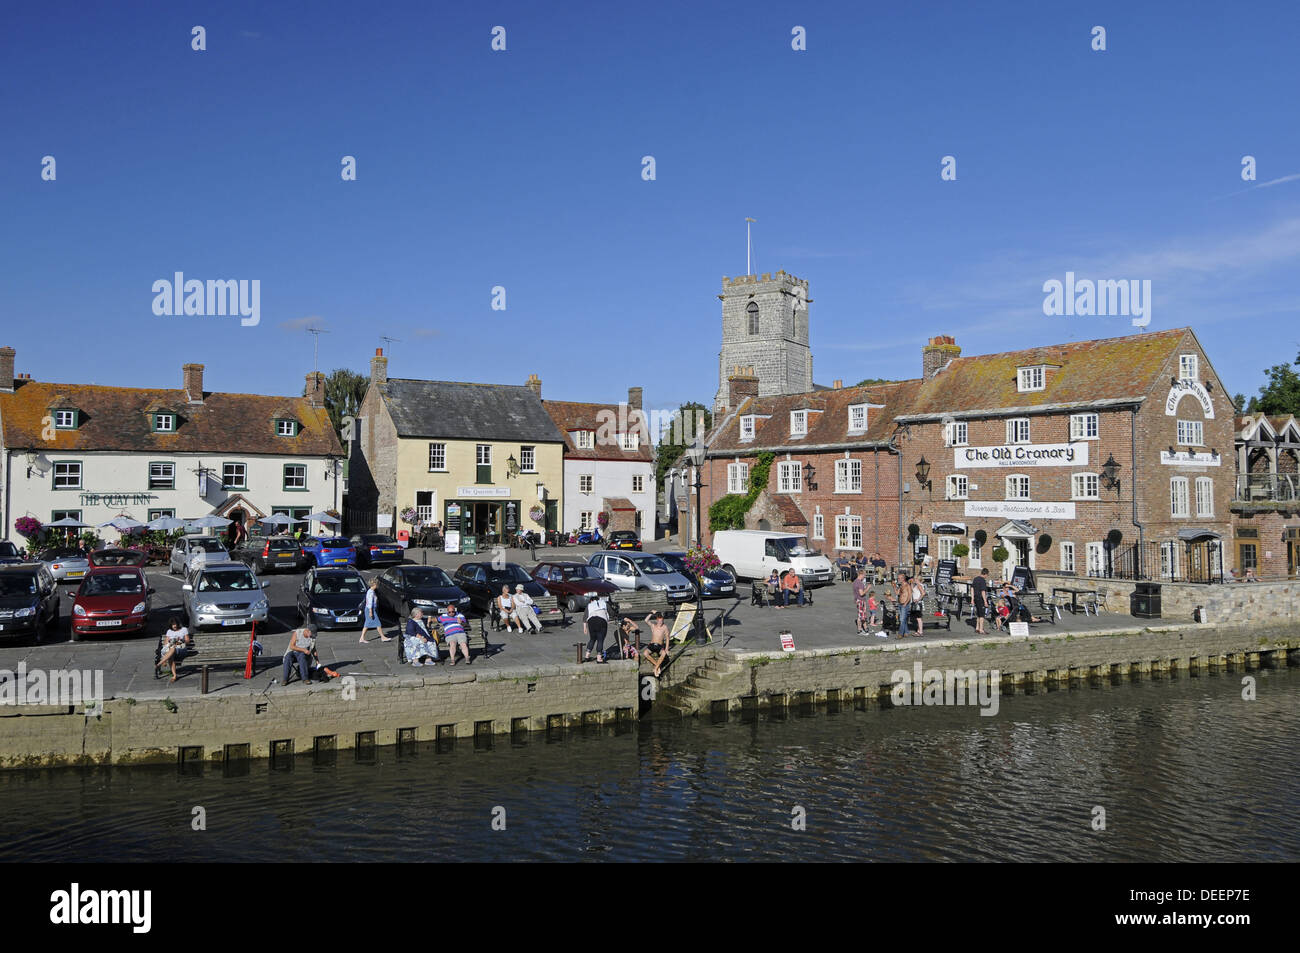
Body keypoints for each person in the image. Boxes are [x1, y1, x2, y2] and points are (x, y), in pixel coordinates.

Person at [156, 616, 193, 683]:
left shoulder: (184, 629)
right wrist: (170, 641)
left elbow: (187, 641)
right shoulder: (169, 631)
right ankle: (174, 675)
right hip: (172, 649)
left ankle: (159, 663)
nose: (174, 626)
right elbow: (165, 643)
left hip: (181, 648)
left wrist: (181, 640)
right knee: (171, 654)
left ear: (178, 623)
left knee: (173, 648)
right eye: (172, 624)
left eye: (175, 624)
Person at [359, 577, 389, 644]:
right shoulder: (371, 592)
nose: (377, 585)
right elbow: (370, 602)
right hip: (370, 609)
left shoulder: (371, 591)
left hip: (370, 609)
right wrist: (371, 612)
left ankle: (362, 638)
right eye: (377, 584)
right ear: (374, 584)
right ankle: (383, 637)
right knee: (378, 623)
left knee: (367, 624)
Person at [584, 592, 611, 663]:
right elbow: (611, 612)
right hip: (601, 621)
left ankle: (587, 657)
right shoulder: (604, 603)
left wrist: (585, 628)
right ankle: (599, 658)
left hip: (591, 621)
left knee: (592, 639)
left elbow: (585, 617)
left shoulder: (589, 605)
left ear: (591, 600)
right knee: (600, 639)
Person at [642, 612, 671, 677]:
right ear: (657, 621)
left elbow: (667, 638)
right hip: (652, 645)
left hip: (659, 646)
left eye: (662, 621)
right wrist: (651, 613)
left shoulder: (664, 627)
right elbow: (646, 620)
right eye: (659, 621)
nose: (660, 623)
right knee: (645, 653)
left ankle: (655, 669)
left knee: (663, 654)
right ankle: (657, 666)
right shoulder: (653, 626)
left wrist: (666, 649)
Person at [972, 567, 990, 635]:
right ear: (985, 574)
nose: (986, 577)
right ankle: (981, 629)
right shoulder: (982, 580)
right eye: (987, 575)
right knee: (982, 614)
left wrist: (972, 598)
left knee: (978, 614)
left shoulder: (975, 579)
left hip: (976, 598)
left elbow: (972, 588)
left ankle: (977, 628)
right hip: (980, 598)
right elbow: (983, 591)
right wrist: (985, 601)